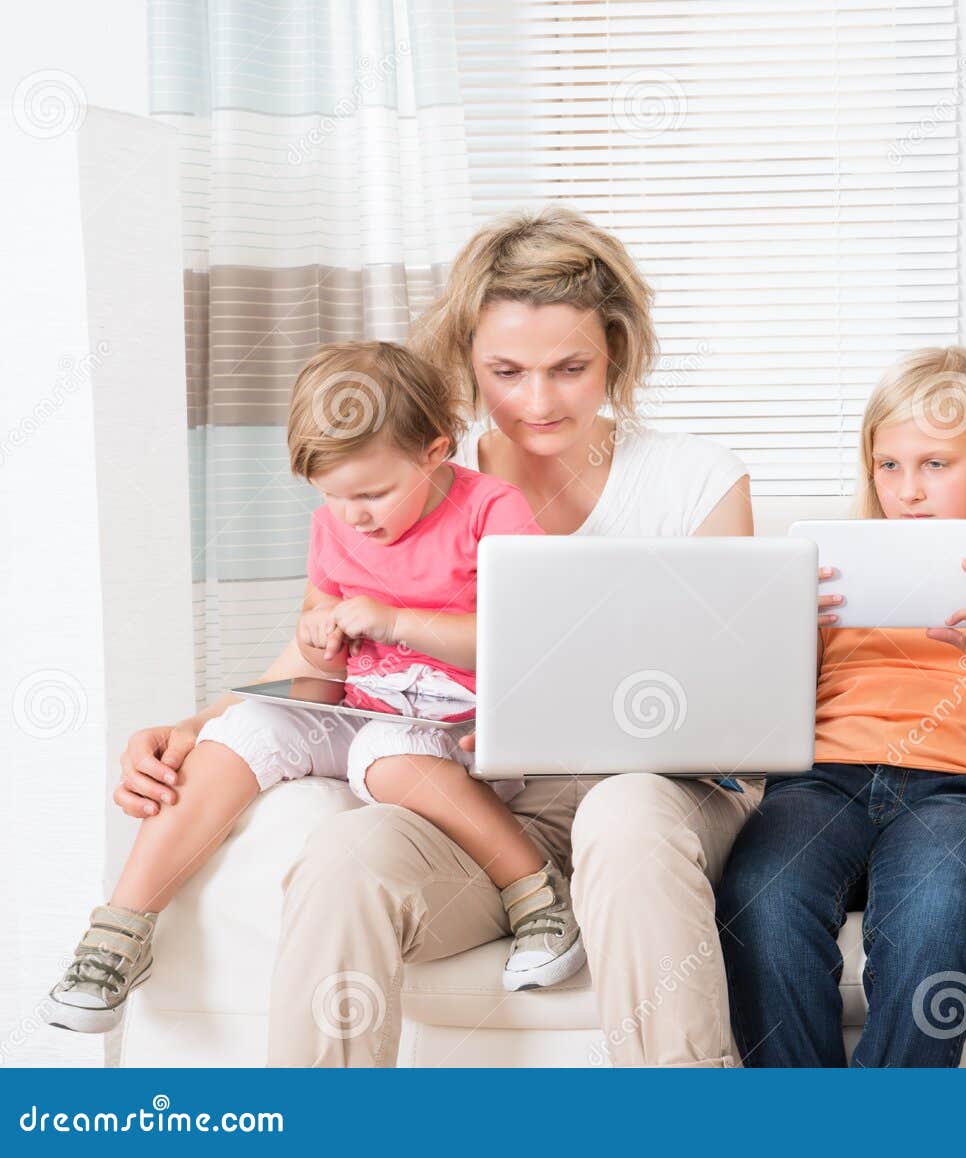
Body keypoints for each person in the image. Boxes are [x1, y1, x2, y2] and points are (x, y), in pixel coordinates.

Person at [111, 207, 761, 1066]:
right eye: (507, 371)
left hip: (647, 793)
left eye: (571, 368)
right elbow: (324, 657)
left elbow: (735, 703)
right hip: (478, 801)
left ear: (618, 352)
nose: (538, 400)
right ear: (466, 361)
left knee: (622, 811)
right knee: (347, 851)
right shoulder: (408, 482)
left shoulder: (694, 482)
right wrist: (197, 727)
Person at [47, 341, 585, 1033]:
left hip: (463, 730)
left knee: (383, 749)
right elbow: (314, 670)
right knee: (238, 732)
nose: (353, 515)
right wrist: (287, 662)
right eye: (333, 496)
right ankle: (119, 931)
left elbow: (528, 641)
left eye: (372, 493)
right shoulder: (334, 526)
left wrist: (397, 621)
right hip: (361, 712)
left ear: (434, 451)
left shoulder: (491, 510)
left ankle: (537, 896)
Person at [716, 346, 966, 1066]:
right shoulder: (823, 571)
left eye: (935, 464)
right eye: (888, 465)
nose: (908, 491)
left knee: (932, 924)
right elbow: (753, 733)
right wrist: (792, 631)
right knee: (760, 902)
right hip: (821, 781)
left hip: (963, 794)